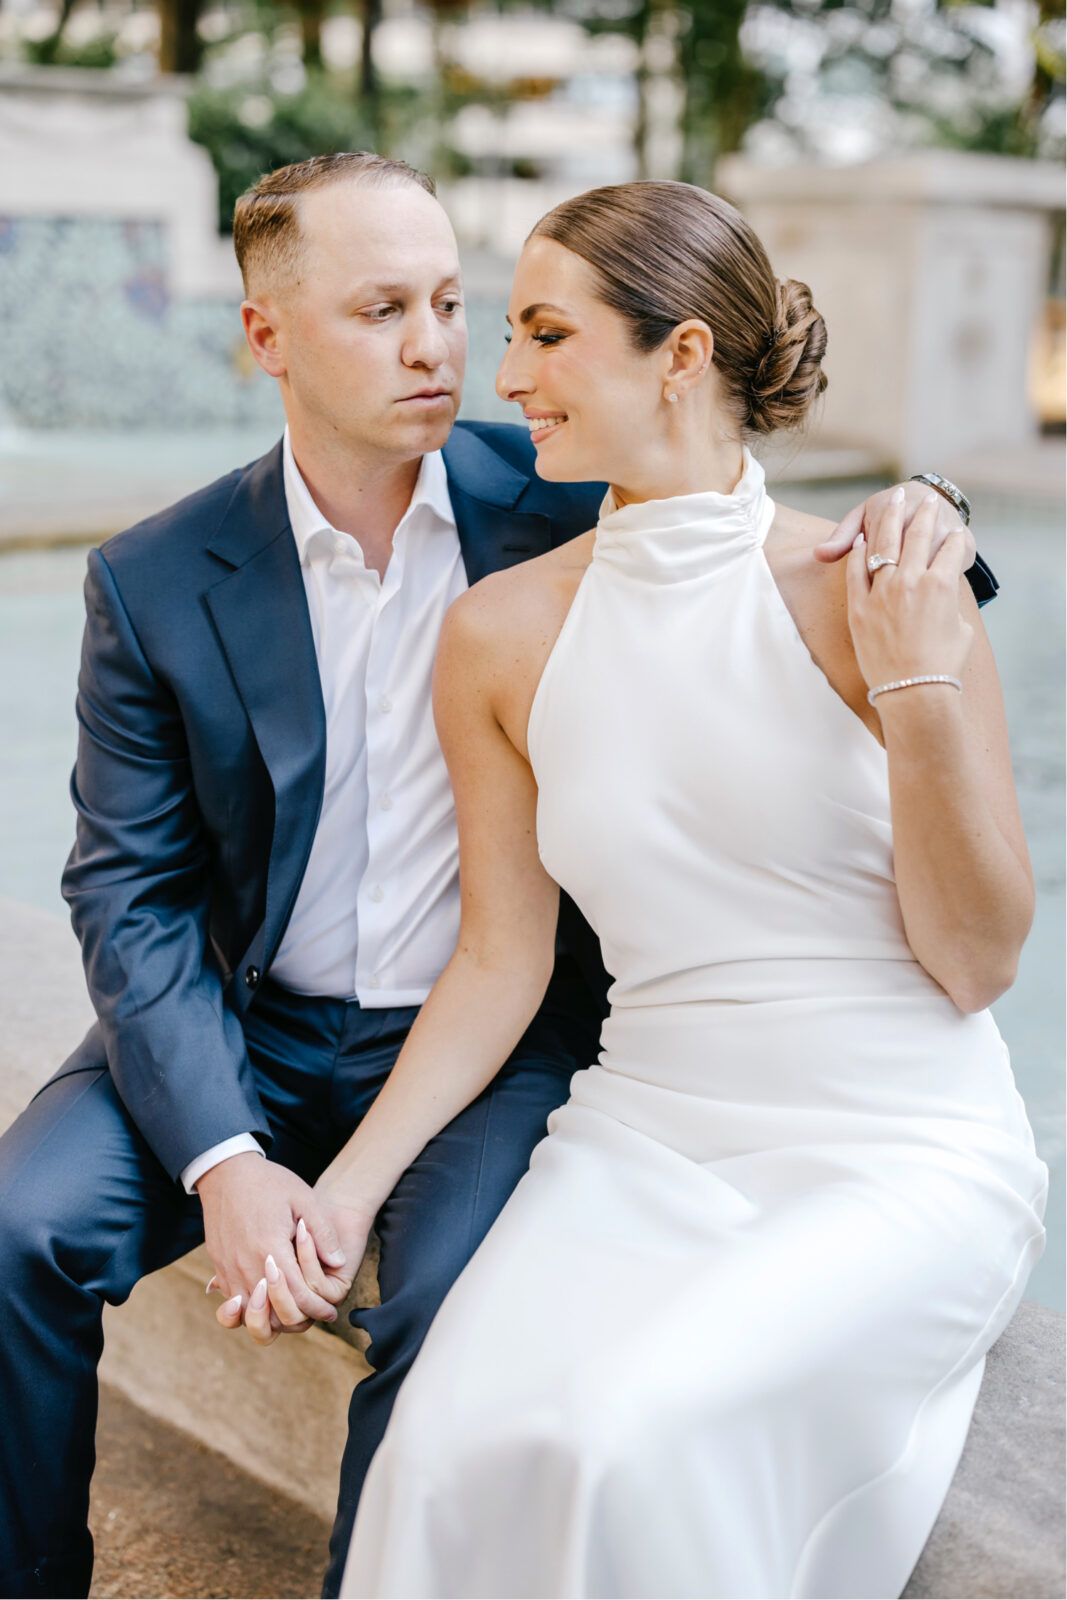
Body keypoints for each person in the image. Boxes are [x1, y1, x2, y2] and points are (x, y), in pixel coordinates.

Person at [0, 153, 982, 1600]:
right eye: (385, 307)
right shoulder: (153, 577)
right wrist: (225, 1160)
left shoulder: (563, 481)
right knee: (20, 1231)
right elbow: (128, 896)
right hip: (241, 1030)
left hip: (494, 1040)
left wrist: (934, 505)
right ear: (267, 337)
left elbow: (759, 525)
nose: (447, 351)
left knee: (456, 1312)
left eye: (458, 304)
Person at [317, 182, 1044, 1599]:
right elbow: (497, 963)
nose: (503, 373)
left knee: (614, 1437)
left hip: (890, 1151)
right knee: (438, 1443)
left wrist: (918, 678)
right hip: (639, 1142)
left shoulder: (880, 585)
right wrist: (346, 1193)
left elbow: (979, 963)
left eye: (544, 333)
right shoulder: (498, 638)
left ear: (685, 355)